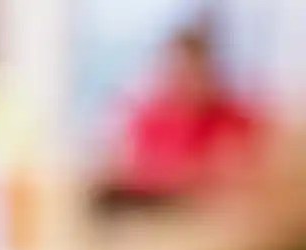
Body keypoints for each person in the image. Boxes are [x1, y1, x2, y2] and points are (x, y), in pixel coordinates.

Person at [108, 28, 264, 200]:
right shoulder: (147, 117)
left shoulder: (233, 117)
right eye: (176, 71)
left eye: (193, 71)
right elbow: (132, 171)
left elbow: (243, 172)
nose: (184, 81)